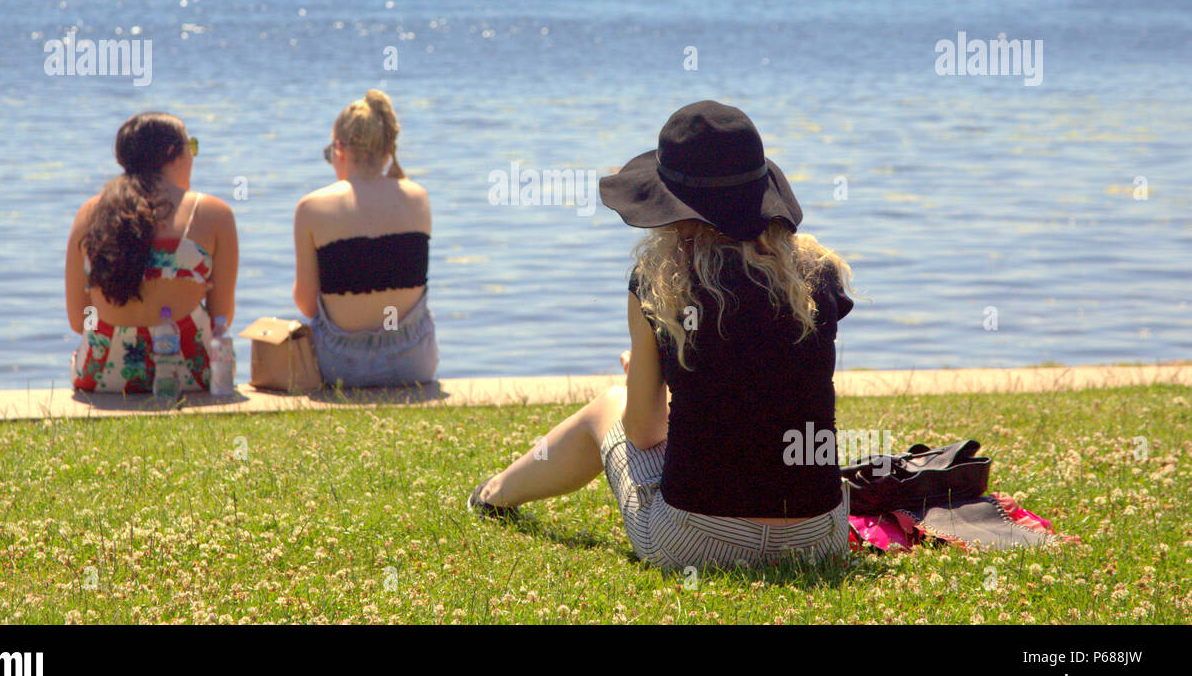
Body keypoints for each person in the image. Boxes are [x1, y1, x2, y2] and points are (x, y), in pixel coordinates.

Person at [467, 100, 856, 571]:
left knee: (610, 405)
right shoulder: (818, 276)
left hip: (698, 541)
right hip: (820, 538)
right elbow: (777, 380)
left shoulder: (660, 285)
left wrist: (648, 382)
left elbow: (644, 431)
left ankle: (492, 495)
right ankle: (493, 494)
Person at [65, 112, 239, 393]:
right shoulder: (214, 213)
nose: (193, 156)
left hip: (100, 376)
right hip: (193, 373)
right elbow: (222, 317)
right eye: (191, 146)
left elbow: (78, 319)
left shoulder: (90, 213)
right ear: (174, 153)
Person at [292, 89, 438, 387]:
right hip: (413, 362)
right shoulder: (418, 198)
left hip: (340, 365)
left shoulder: (311, 207)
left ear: (340, 148)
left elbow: (306, 304)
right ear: (387, 150)